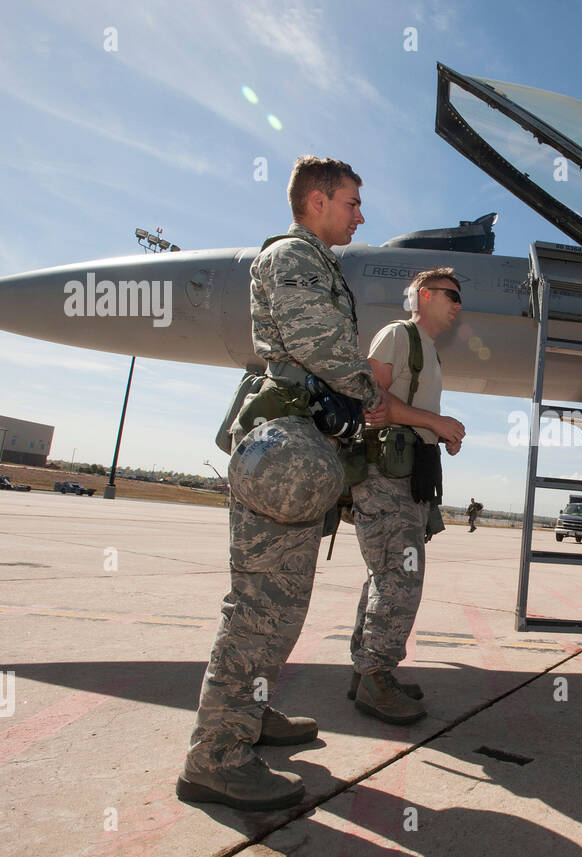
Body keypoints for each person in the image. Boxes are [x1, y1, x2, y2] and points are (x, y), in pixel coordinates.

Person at [177, 155, 387, 812]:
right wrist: (368, 388)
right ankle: (214, 757)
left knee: (284, 603)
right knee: (257, 608)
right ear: (318, 200)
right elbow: (316, 337)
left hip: (299, 447)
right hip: (283, 445)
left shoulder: (316, 261)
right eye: (352, 201)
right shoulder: (293, 256)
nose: (360, 213)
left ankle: (252, 713)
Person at [346, 268, 465, 724]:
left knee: (385, 575)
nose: (458, 305)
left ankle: (367, 674)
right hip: (385, 475)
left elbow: (406, 412)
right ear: (424, 295)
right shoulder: (399, 335)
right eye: (451, 296)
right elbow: (373, 402)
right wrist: (435, 423)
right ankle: (375, 675)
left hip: (410, 472)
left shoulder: (429, 351)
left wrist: (440, 434)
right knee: (400, 575)